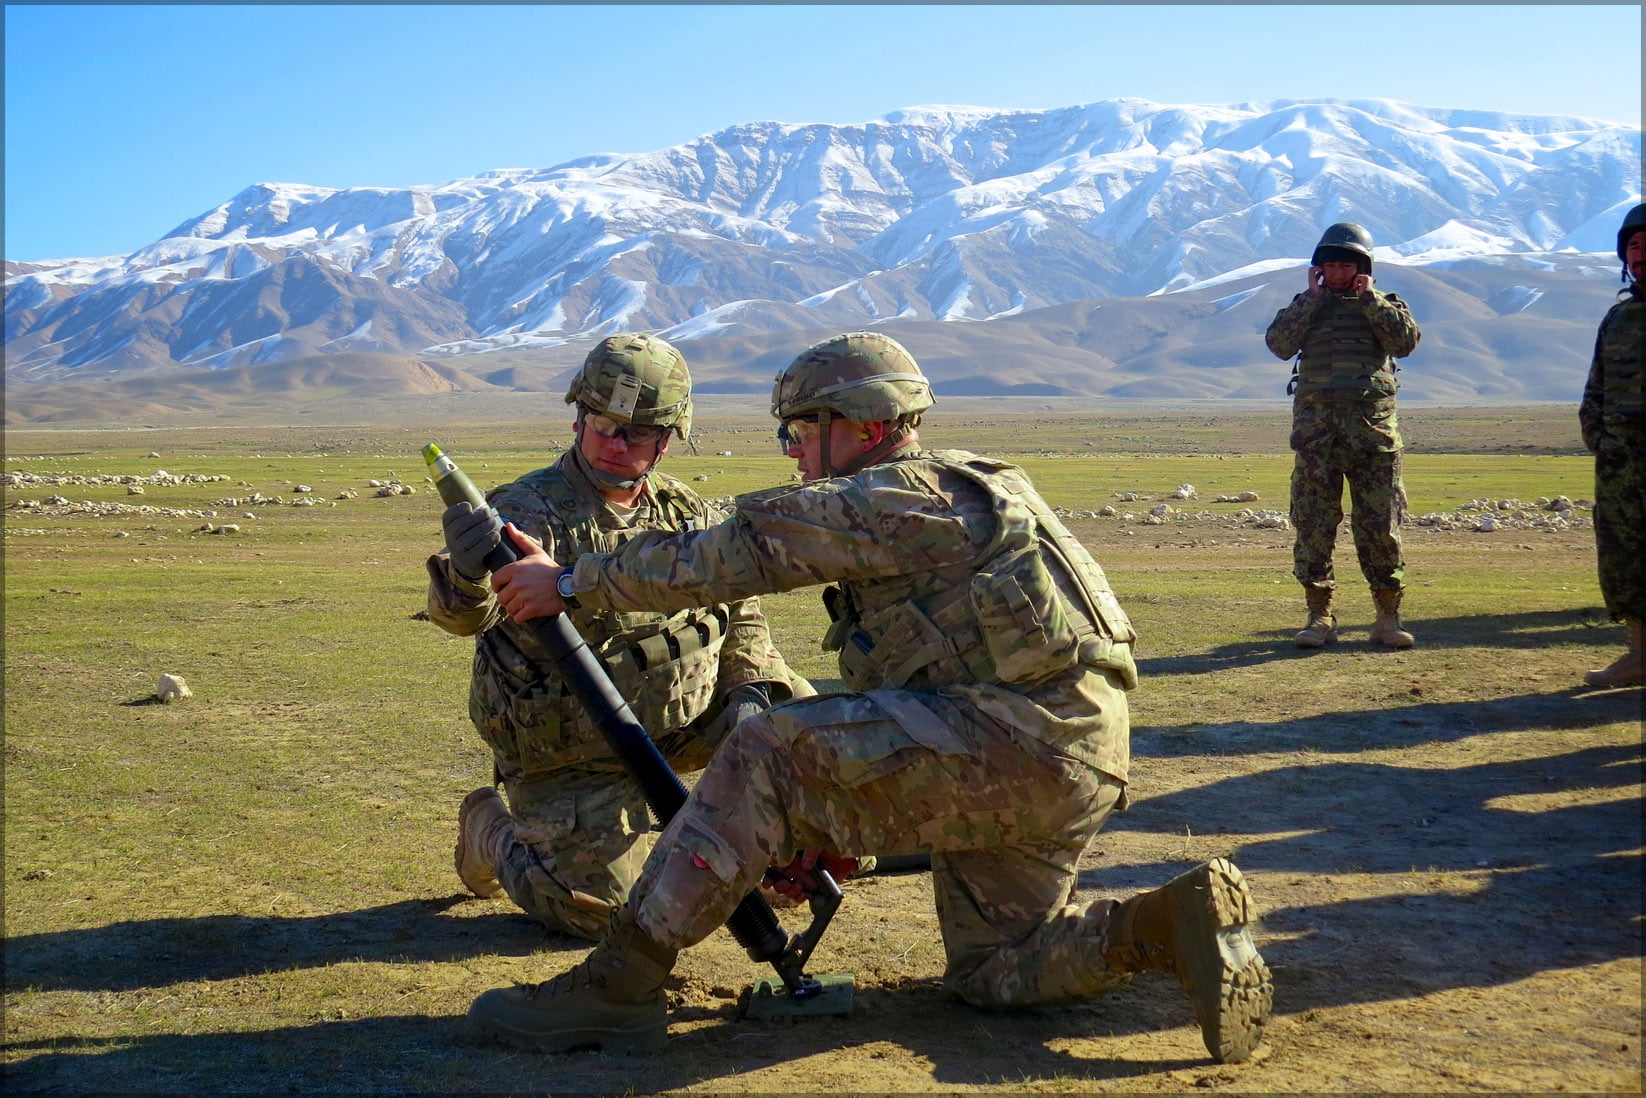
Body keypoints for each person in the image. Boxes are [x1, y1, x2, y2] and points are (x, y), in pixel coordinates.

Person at [461, 331, 1273, 1064]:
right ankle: (1167, 928)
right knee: (996, 970)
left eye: (800, 432)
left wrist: (570, 580)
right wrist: (838, 814)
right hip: (1057, 758)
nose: (793, 454)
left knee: (768, 749)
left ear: (865, 427)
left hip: (1013, 744)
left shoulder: (898, 494)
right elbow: (921, 674)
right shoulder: (975, 489)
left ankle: (618, 987)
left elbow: (744, 553)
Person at [427, 332, 814, 941]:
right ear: (579, 418)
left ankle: (788, 852)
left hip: (680, 724)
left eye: (636, 432)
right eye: (602, 424)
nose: (614, 443)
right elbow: (466, 619)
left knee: (810, 723)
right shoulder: (527, 513)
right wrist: (466, 575)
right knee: (608, 915)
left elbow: (740, 612)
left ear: (667, 438)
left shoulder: (684, 513)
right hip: (571, 751)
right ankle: (492, 830)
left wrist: (751, 692)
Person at [1266, 221, 1423, 649]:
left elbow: (1405, 341)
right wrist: (1310, 300)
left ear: (1363, 267)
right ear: (1318, 270)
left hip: (1374, 442)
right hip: (1318, 443)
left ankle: (1387, 619)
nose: (1337, 273)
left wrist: (1370, 299)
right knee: (1314, 529)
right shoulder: (1306, 307)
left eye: (1346, 265)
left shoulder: (1385, 305)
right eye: (1329, 266)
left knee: (1379, 531)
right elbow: (1278, 344)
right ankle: (1320, 617)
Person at [1578, 203, 1646, 688]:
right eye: (1635, 246)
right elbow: (1596, 386)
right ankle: (1640, 653)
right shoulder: (1618, 319)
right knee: (1624, 554)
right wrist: (1598, 437)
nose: (1641, 254)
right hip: (1621, 457)